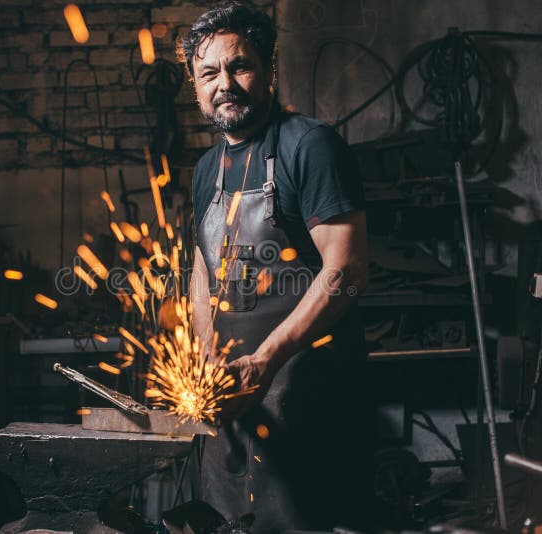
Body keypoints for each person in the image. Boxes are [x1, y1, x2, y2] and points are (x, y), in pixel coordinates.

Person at [181, 2, 372, 532]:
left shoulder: (310, 146)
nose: (225, 84)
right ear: (194, 85)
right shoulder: (206, 169)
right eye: (208, 73)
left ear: (268, 67)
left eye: (239, 66)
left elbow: (347, 271)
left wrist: (266, 360)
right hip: (234, 410)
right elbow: (203, 273)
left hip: (310, 404)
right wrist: (203, 360)